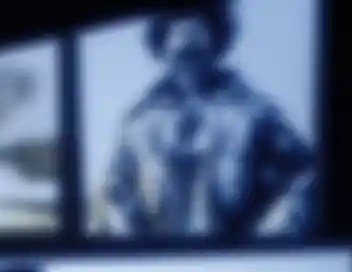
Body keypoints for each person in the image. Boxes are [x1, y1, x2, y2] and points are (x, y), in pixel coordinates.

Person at [100, 4, 315, 237]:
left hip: (236, 254)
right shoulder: (138, 121)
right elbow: (116, 191)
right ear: (162, 46)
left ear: (216, 43)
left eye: (197, 53)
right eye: (181, 54)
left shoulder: (255, 113)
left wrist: (269, 236)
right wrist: (137, 244)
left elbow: (305, 173)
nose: (189, 62)